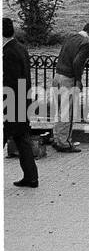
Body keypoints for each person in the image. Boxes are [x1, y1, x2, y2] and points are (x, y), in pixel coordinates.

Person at [3, 17, 38, 188]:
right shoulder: (20, 48)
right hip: (22, 102)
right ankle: (31, 177)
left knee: (16, 137)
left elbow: (9, 82)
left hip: (11, 104)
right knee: (22, 139)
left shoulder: (7, 53)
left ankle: (31, 177)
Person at [52, 21, 89, 151]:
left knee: (59, 111)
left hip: (57, 76)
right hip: (68, 79)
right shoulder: (86, 44)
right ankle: (64, 143)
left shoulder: (71, 37)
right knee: (67, 112)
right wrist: (78, 80)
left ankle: (56, 138)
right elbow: (78, 62)